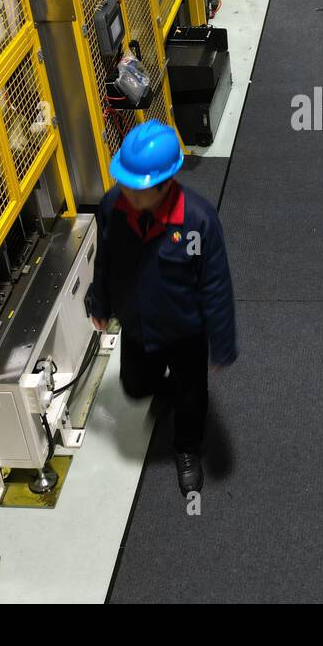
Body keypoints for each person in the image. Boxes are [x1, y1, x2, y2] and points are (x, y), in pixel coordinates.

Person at [86, 120, 236, 495]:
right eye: (124, 183)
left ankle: (187, 450)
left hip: (185, 331)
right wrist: (99, 301)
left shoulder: (196, 223)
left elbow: (215, 283)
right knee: (136, 387)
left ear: (166, 184)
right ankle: (162, 388)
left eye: (137, 189)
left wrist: (221, 341)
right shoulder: (112, 208)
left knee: (191, 397)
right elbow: (104, 260)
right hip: (136, 326)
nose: (126, 193)